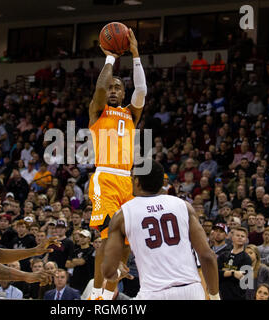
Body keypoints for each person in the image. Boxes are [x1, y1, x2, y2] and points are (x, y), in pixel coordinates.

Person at [102, 160, 220, 300]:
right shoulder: (184, 206)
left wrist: (117, 272)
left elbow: (108, 271)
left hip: (153, 293)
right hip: (191, 290)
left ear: (137, 181)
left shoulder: (122, 215)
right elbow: (207, 255)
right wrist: (214, 296)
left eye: (132, 178)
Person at [87, 28, 147, 300]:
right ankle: (96, 295)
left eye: (117, 87)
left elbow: (142, 89)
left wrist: (135, 54)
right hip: (105, 179)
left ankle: (109, 296)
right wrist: (110, 59)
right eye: (111, 87)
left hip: (126, 180)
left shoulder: (131, 113)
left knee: (124, 246)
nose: (112, 90)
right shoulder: (98, 110)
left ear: (123, 94)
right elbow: (100, 87)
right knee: (108, 238)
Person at [217, 227, 252, 300]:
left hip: (237, 296)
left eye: (242, 236)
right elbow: (216, 273)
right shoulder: (223, 255)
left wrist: (224, 273)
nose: (240, 238)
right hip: (220, 294)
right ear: (232, 238)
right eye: (237, 235)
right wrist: (233, 273)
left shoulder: (247, 259)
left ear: (245, 240)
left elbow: (245, 282)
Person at [66, 229, 95, 293]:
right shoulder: (75, 250)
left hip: (87, 281)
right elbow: (67, 264)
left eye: (84, 237)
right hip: (75, 281)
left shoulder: (92, 250)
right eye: (80, 237)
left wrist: (73, 261)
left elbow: (82, 262)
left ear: (89, 239)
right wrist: (77, 262)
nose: (81, 239)